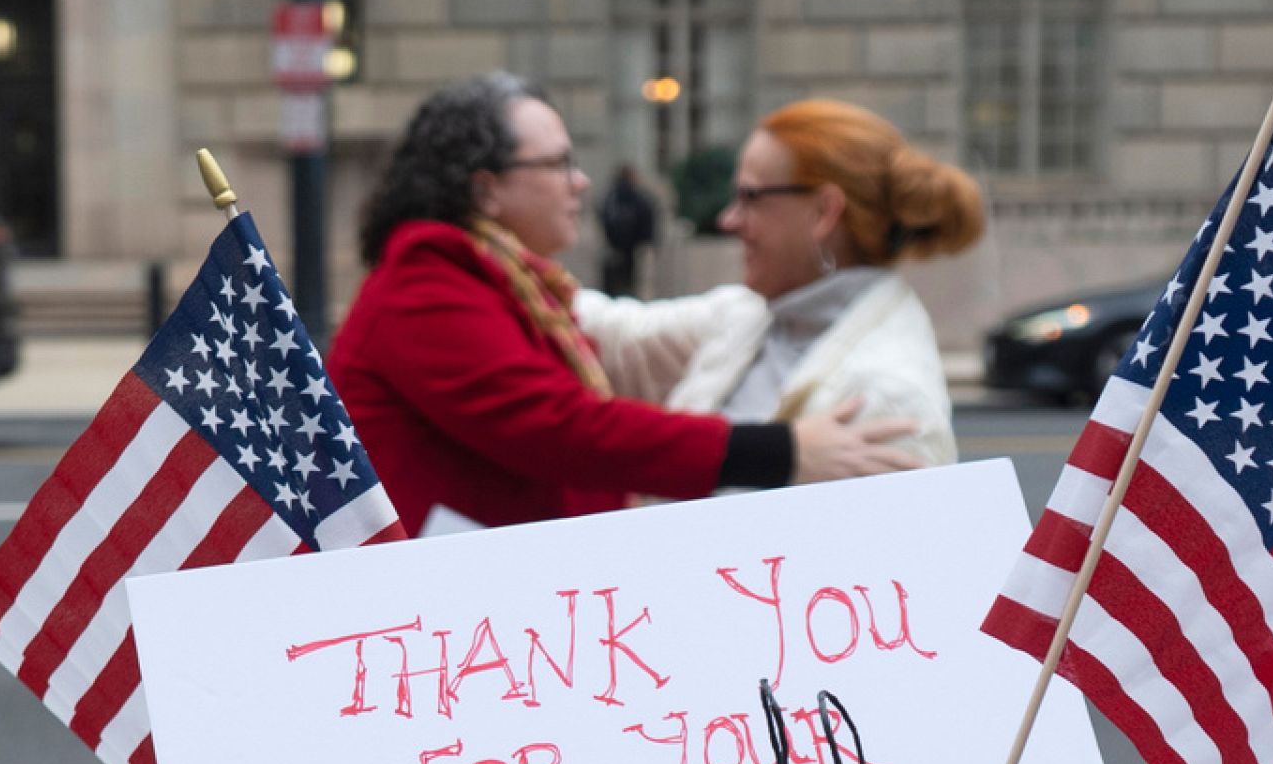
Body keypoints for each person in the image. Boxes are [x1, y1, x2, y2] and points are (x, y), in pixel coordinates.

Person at [325, 73, 918, 534]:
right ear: (486, 190)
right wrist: (779, 450)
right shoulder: (425, 284)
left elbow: (629, 338)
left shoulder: (508, 281)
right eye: (559, 164)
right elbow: (562, 428)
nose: (580, 182)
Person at [577, 98, 986, 468]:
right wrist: (519, 264)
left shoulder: (891, 394)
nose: (728, 220)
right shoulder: (757, 314)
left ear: (824, 212)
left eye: (749, 198)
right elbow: (616, 334)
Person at [597, 163, 658, 297]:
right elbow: (648, 218)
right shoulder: (638, 198)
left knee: (613, 290)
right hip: (632, 250)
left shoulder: (611, 198)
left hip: (616, 249)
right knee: (632, 288)